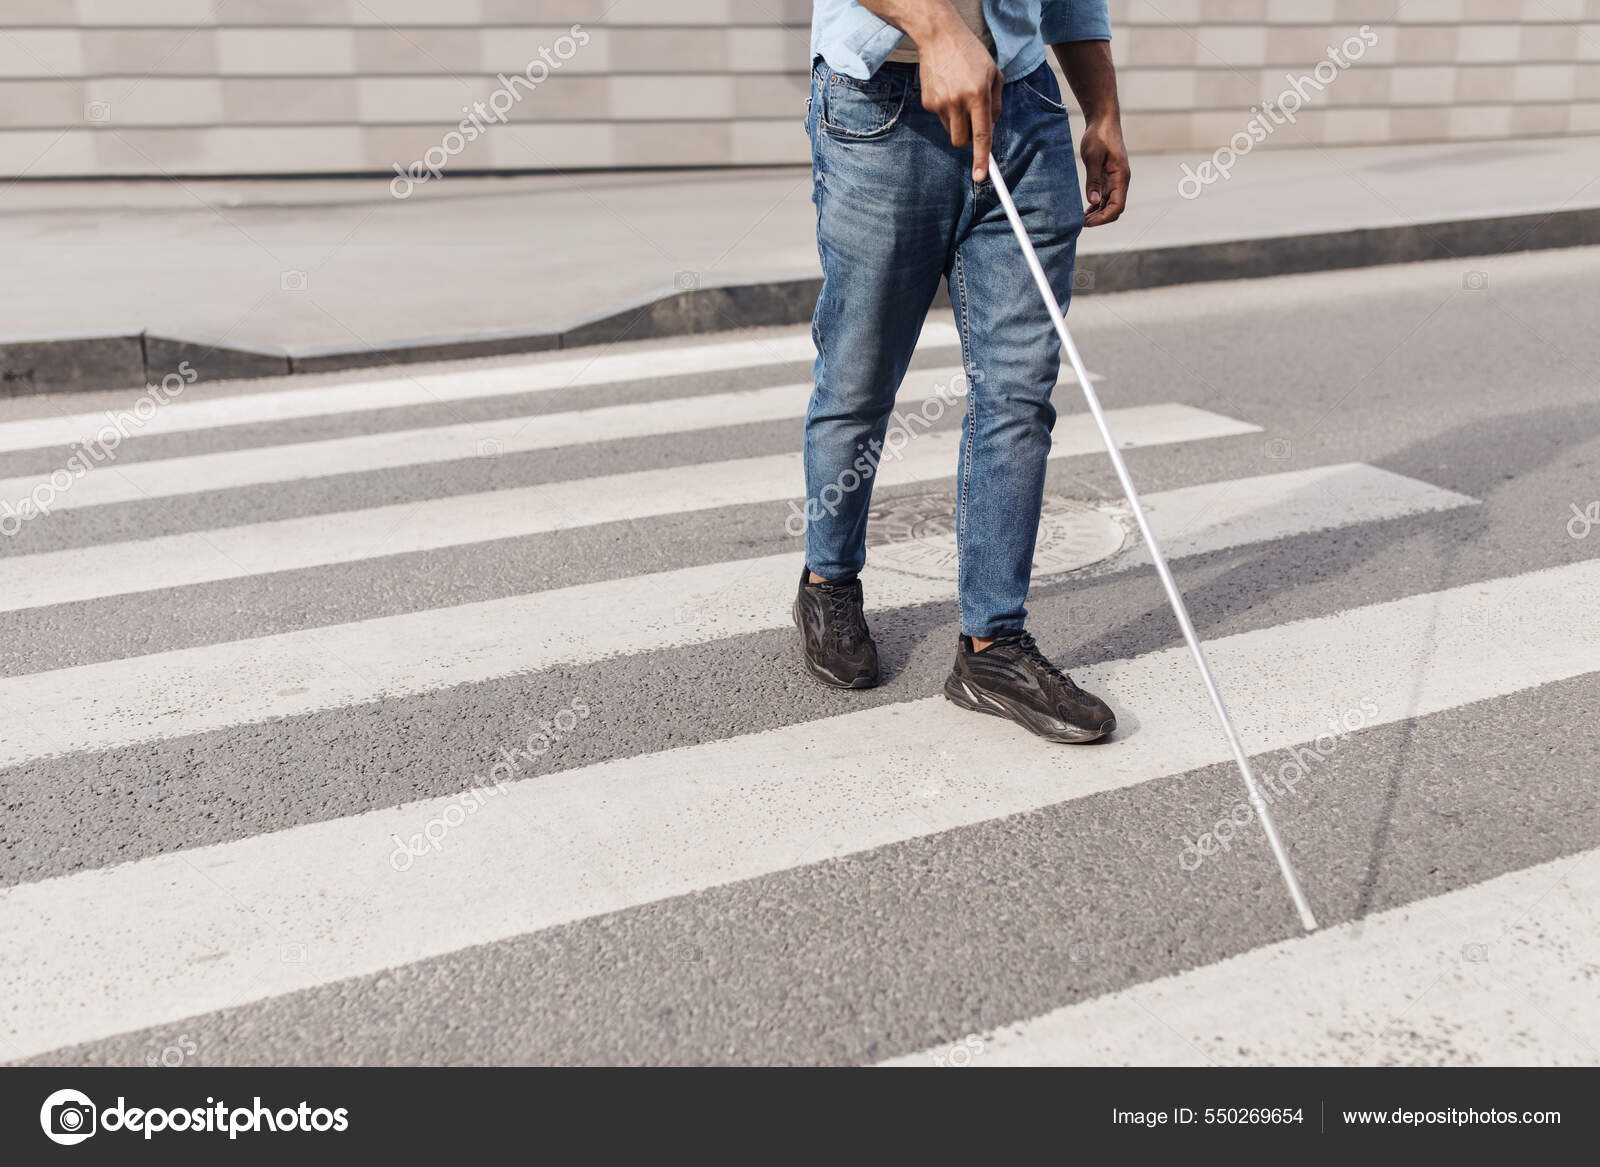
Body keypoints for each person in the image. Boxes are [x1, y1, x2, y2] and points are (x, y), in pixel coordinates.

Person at [793, 0, 1131, 743]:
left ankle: (993, 646)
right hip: (882, 107)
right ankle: (829, 580)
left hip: (1025, 109)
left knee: (1017, 392)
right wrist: (939, 29)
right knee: (859, 378)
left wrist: (1100, 110)